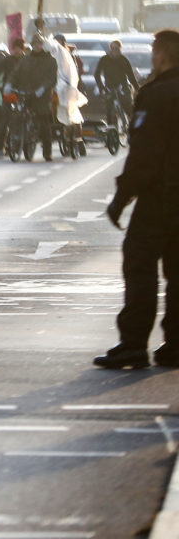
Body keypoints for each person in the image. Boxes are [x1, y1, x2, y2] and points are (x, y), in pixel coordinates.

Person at [97, 30, 179, 370]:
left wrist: (121, 197)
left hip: (161, 196)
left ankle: (133, 344)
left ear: (161, 55)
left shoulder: (157, 95)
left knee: (140, 264)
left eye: (153, 53)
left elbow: (144, 154)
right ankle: (175, 344)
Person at [11, 34, 58, 162]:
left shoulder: (50, 60)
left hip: (42, 96)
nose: (37, 46)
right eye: (35, 44)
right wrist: (9, 84)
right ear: (32, 45)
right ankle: (15, 141)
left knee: (44, 122)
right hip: (26, 93)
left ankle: (47, 152)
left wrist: (43, 88)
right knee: (17, 114)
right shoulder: (25, 59)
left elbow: (52, 79)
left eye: (39, 44)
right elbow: (15, 73)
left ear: (42, 45)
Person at [95, 39, 140, 123]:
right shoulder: (104, 59)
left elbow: (131, 76)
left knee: (128, 107)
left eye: (117, 48)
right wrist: (101, 87)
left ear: (120, 48)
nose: (115, 50)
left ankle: (131, 125)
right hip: (109, 86)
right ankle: (110, 128)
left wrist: (138, 89)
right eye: (113, 48)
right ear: (110, 49)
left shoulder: (124, 60)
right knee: (109, 108)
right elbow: (97, 74)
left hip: (122, 86)